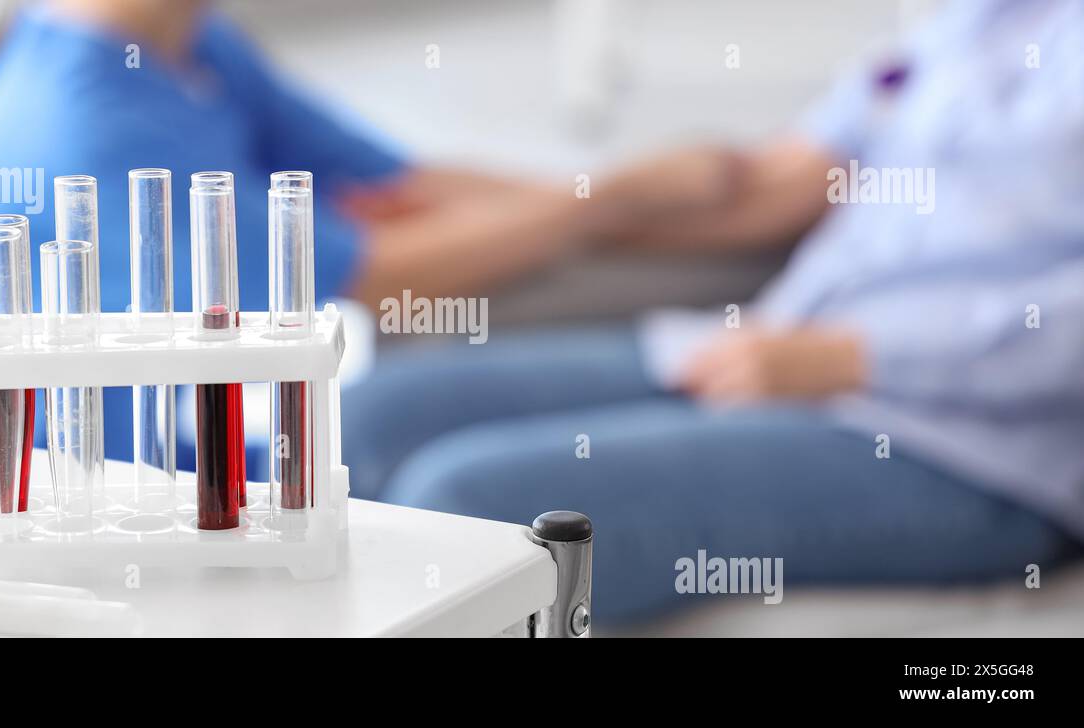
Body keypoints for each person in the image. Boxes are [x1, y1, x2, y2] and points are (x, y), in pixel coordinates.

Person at [343, 0, 1084, 623]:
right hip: (769, 338)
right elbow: (778, 184)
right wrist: (523, 210)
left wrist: (854, 356)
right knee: (365, 420)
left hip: (962, 446)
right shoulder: (974, 18)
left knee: (463, 505)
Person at [0, 0, 586, 462]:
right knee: (386, 456)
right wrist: (615, 205)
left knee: (379, 437)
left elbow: (398, 186)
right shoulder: (88, 116)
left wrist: (641, 203)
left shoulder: (191, 41)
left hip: (123, 463)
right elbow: (376, 272)